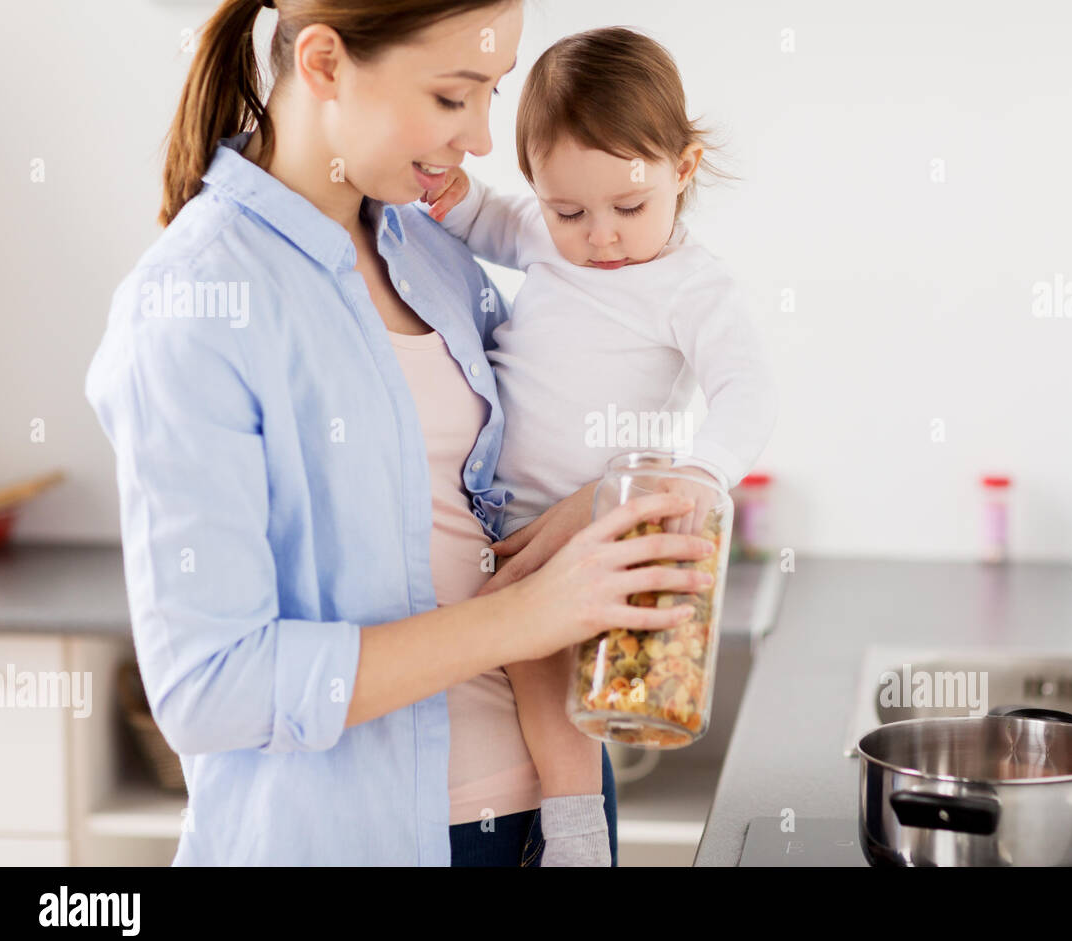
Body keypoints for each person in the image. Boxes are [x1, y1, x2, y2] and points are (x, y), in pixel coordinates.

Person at [84, 0, 712, 866]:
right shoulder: (192, 306)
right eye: (456, 96)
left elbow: (485, 501)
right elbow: (209, 687)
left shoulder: (429, 249)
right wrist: (525, 615)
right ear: (326, 64)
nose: (486, 139)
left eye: (494, 90)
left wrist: (593, 511)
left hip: (556, 808)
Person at [424, 26, 778, 866]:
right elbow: (485, 221)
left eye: (629, 207)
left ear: (681, 170)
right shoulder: (546, 232)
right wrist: (447, 193)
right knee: (514, 649)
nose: (600, 236)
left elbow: (748, 389)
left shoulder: (694, 286)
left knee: (546, 662)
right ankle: (573, 814)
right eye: (568, 210)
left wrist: (701, 472)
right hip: (499, 506)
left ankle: (577, 829)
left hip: (597, 515)